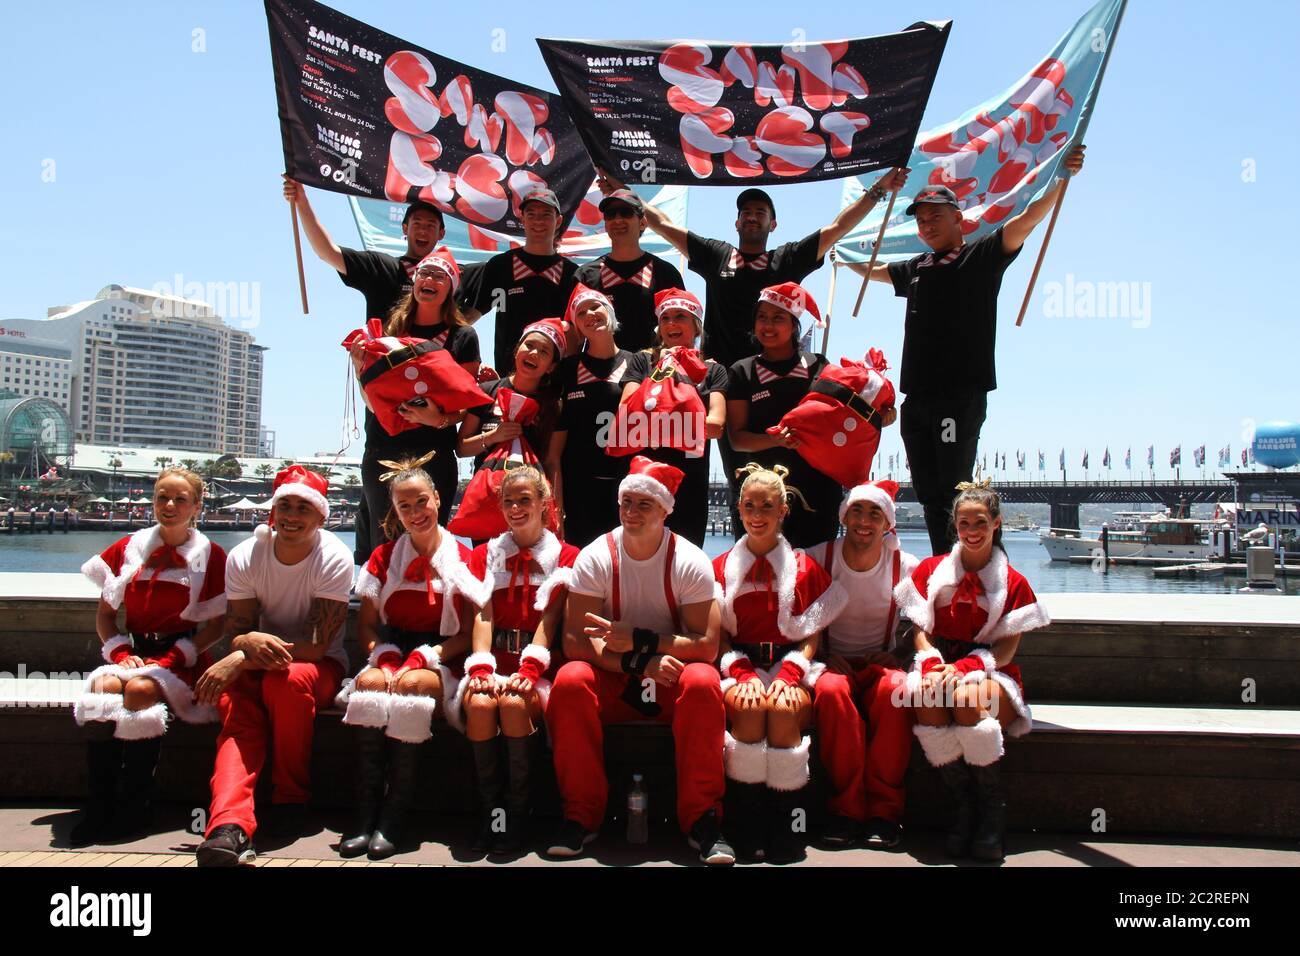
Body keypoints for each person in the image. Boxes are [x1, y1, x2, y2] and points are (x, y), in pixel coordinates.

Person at [849, 145, 1086, 554]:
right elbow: (875, 271)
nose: (926, 226)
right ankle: (946, 566)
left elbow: (1027, 221)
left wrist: (1062, 178)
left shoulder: (982, 256)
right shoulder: (918, 268)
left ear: (958, 219)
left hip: (958, 395)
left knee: (955, 487)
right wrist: (841, 251)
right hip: (916, 398)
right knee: (927, 492)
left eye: (935, 218)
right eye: (921, 220)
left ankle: (985, 570)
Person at [545, 456, 733, 864]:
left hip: (669, 676)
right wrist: (636, 662)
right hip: (619, 674)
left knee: (702, 681)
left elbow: (706, 646)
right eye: (626, 502)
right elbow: (575, 641)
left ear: (666, 510)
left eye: (644, 504)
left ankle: (702, 819)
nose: (631, 512)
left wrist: (643, 641)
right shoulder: (597, 556)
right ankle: (580, 816)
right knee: (571, 679)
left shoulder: (690, 561)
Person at [193, 465, 354, 867]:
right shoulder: (246, 555)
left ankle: (291, 798)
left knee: (286, 681)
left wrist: (240, 654)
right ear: (273, 510)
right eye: (285, 505)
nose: (292, 516)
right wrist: (244, 647)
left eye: (303, 508)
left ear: (320, 517)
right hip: (258, 663)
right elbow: (241, 627)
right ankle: (227, 826)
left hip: (319, 666)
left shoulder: (333, 556)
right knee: (235, 702)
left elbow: (316, 650)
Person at [894, 482, 1051, 861]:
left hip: (993, 674)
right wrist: (932, 662)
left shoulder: (1014, 582)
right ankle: (963, 804)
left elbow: (1007, 647)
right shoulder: (932, 572)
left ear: (996, 523)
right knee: (926, 696)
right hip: (941, 665)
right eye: (964, 522)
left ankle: (991, 809)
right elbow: (920, 630)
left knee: (966, 697)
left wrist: (966, 668)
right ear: (955, 526)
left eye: (980, 521)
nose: (971, 530)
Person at [72, 467, 227, 846]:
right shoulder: (128, 548)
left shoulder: (211, 555)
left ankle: (136, 804)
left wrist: (175, 657)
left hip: (183, 658)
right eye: (162, 497)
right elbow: (106, 616)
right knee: (103, 687)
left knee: (140, 691)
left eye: (180, 499)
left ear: (197, 506)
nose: (169, 505)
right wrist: (120, 652)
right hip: (135, 652)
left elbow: (217, 625)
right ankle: (100, 803)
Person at [335, 457, 481, 859]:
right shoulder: (383, 557)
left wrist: (428, 657)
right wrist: (379, 656)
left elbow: (468, 633)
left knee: (413, 689)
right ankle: (366, 815)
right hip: (392, 651)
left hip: (441, 656)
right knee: (368, 686)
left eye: (421, 502)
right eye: (405, 507)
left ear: (438, 499)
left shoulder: (463, 559)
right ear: (395, 512)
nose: (415, 513)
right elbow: (365, 627)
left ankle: (395, 815)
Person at [714, 463, 846, 863]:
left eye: (766, 506)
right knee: (750, 710)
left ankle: (789, 822)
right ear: (738, 508)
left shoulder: (805, 568)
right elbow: (718, 634)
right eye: (749, 505)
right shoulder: (719, 567)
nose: (757, 515)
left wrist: (791, 673)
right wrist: (740, 673)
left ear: (782, 510)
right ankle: (747, 822)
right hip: (740, 667)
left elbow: (812, 634)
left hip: (793, 667)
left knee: (784, 710)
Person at [460, 466, 580, 853]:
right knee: (480, 704)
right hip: (493, 660)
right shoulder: (485, 554)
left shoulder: (566, 555)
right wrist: (480, 665)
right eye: (508, 501)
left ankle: (517, 816)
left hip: (540, 666)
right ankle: (491, 813)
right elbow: (483, 614)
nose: (515, 508)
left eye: (525, 500)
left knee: (513, 704)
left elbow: (552, 617)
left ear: (545, 503)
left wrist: (530, 668)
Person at [808, 480, 920, 849]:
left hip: (879, 664)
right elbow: (792, 618)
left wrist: (899, 655)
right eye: (856, 510)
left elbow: (924, 622)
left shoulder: (904, 565)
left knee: (897, 693)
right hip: (829, 664)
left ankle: (884, 813)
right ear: (843, 516)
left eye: (875, 513)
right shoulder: (815, 558)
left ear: (888, 523)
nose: (864, 521)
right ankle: (846, 809)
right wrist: (821, 656)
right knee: (830, 693)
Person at [351, 246, 481, 559]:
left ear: (450, 287)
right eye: (424, 272)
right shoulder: (388, 331)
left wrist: (436, 419)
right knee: (383, 545)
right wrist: (360, 370)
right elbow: (372, 401)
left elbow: (467, 403)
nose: (430, 278)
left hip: (433, 451)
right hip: (383, 447)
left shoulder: (463, 336)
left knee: (428, 543)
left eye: (440, 275)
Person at [726, 282, 862, 548]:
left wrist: (881, 411)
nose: (768, 325)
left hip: (819, 488)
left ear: (794, 325)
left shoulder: (819, 366)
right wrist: (776, 440)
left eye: (778, 318)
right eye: (762, 317)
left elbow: (845, 413)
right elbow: (737, 439)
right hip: (764, 494)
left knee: (815, 571)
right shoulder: (742, 371)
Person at [618, 288, 727, 546]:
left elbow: (716, 426)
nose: (671, 323)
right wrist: (685, 424)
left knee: (686, 566)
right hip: (644, 481)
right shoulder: (642, 361)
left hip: (690, 483)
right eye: (665, 318)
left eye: (680, 316)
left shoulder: (713, 370)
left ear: (696, 326)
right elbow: (626, 414)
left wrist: (654, 422)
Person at [546, 286, 636, 548]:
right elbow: (554, 453)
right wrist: (556, 506)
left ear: (610, 312)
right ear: (577, 326)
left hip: (625, 486)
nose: (589, 314)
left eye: (595, 307)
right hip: (579, 490)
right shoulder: (568, 370)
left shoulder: (638, 362)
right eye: (581, 312)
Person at [463, 189, 580, 373]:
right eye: (531, 214)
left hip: (554, 380)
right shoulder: (500, 265)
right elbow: (471, 315)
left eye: (546, 215)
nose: (538, 221)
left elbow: (575, 334)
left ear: (558, 221)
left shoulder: (573, 274)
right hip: (509, 376)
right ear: (522, 220)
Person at [574, 188, 686, 352]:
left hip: (652, 372)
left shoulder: (666, 274)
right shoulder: (585, 275)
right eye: (611, 214)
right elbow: (574, 335)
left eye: (626, 212)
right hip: (600, 374)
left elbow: (681, 331)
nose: (618, 219)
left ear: (643, 223)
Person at [458, 317, 566, 477]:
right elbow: (461, 449)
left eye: (544, 351)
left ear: (551, 367)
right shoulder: (486, 391)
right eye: (529, 345)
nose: (534, 353)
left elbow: (552, 462)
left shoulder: (554, 405)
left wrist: (557, 503)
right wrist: (492, 436)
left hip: (530, 495)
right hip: (485, 491)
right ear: (517, 351)